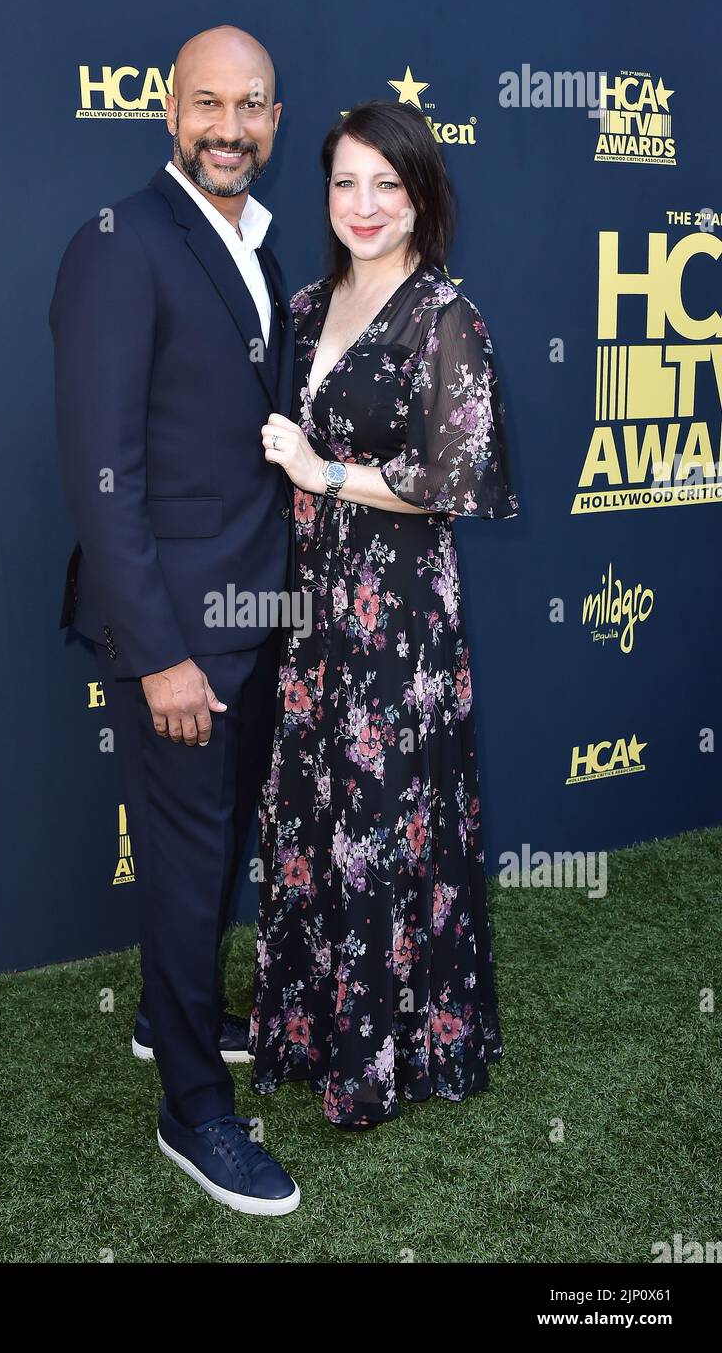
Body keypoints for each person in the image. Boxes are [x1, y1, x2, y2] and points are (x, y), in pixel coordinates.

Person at [50, 25, 300, 1213]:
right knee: (190, 861)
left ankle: (168, 1014)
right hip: (179, 641)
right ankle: (195, 1105)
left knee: (216, 850)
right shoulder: (120, 245)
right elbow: (102, 471)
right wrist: (159, 658)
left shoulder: (254, 240)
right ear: (167, 110)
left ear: (275, 118)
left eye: (251, 107)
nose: (230, 128)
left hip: (257, 615)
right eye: (208, 105)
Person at [250, 99, 520, 1130]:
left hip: (397, 615)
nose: (363, 205)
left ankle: (389, 1050)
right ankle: (311, 1026)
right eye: (344, 183)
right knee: (317, 815)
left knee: (384, 819)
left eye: (386, 184)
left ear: (421, 196)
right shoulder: (311, 303)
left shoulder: (445, 312)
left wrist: (323, 470)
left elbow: (450, 474)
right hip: (316, 607)